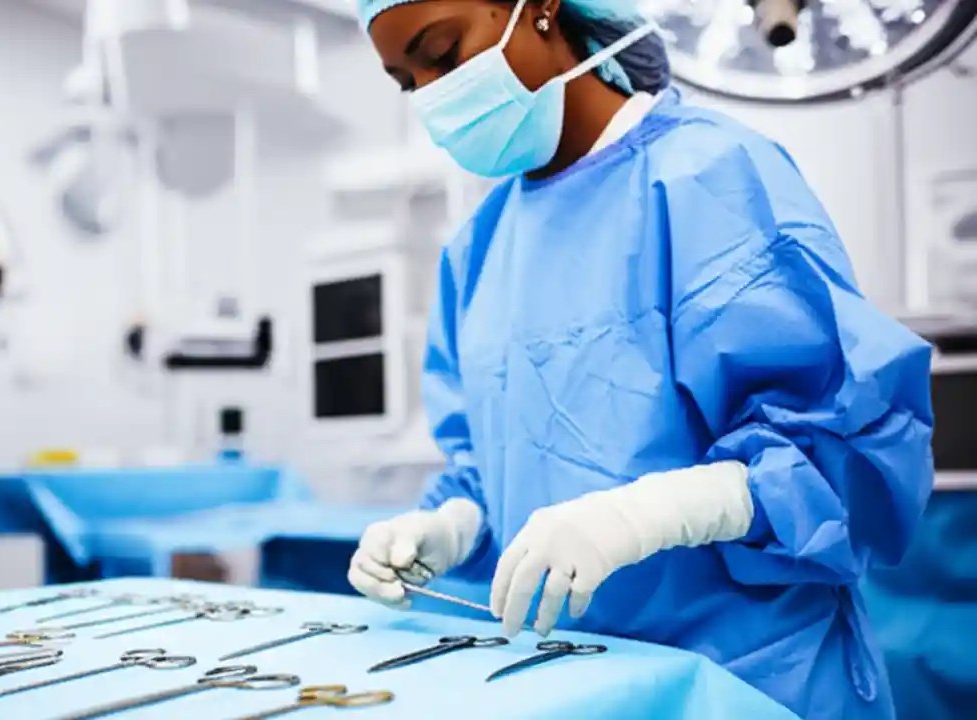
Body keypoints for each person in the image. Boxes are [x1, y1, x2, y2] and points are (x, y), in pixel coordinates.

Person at [344, 1, 935, 718]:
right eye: (408, 82)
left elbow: (846, 462)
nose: (434, 95)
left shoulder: (709, 177)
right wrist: (450, 528)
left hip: (747, 685)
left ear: (542, 9)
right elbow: (496, 468)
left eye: (441, 52)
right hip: (578, 689)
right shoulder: (478, 248)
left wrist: (654, 513)